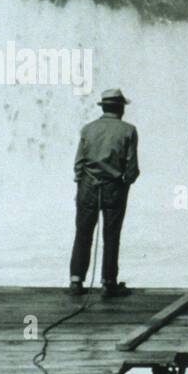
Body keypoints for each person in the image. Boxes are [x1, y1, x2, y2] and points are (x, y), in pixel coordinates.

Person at [70, 88, 139, 297]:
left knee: (83, 234)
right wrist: (125, 184)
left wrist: (81, 186)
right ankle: (108, 283)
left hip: (87, 187)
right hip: (114, 188)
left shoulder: (88, 129)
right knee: (111, 236)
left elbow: (79, 164)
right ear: (121, 108)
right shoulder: (128, 130)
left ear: (104, 107)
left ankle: (76, 281)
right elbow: (132, 168)